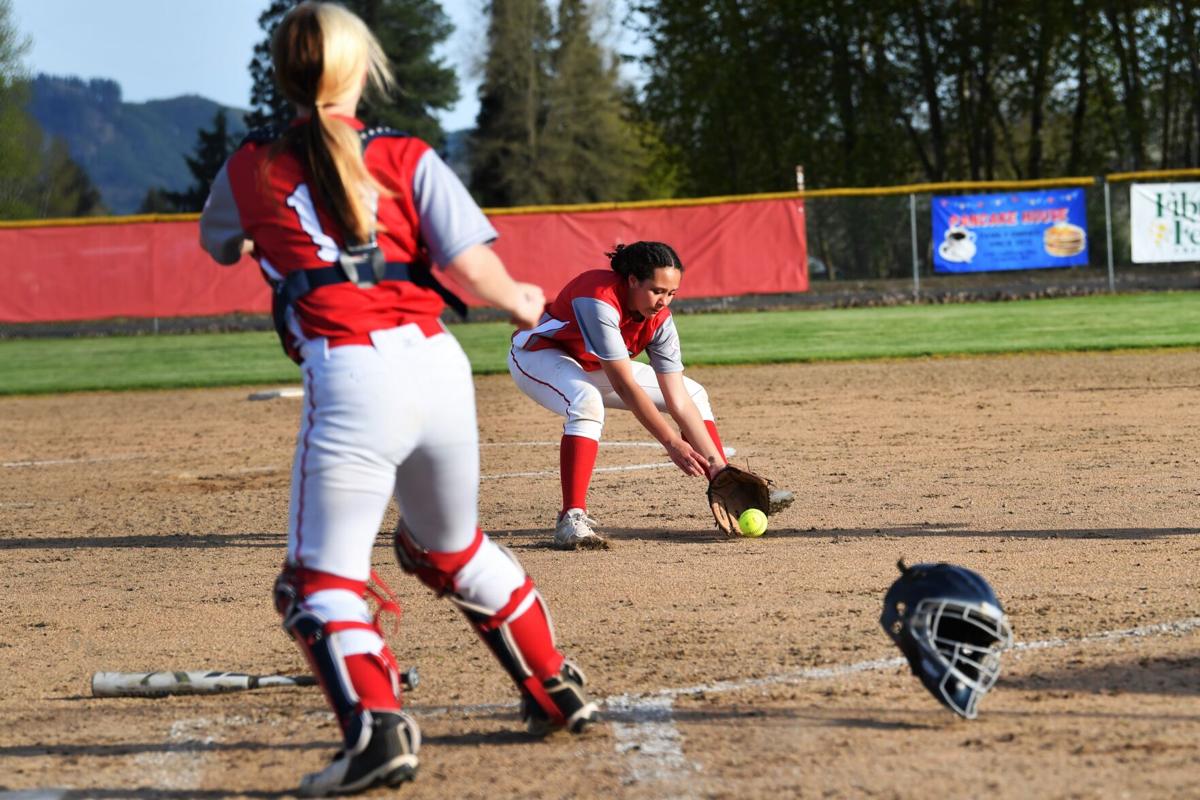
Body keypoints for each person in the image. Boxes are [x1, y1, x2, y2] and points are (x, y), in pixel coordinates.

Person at [198, 3, 596, 795]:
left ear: (283, 75)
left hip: (351, 378)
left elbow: (220, 244)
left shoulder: (248, 165)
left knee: (316, 582)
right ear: (360, 69)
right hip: (438, 368)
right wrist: (522, 301)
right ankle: (553, 684)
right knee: (448, 547)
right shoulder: (405, 154)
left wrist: (255, 232)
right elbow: (477, 271)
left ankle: (378, 733)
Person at [507, 241, 794, 550]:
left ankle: (724, 484)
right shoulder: (598, 298)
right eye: (657, 291)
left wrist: (716, 465)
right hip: (539, 356)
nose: (663, 301)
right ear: (632, 280)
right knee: (586, 402)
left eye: (671, 294)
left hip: (591, 365)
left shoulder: (661, 322)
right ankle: (571, 518)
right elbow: (624, 385)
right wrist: (671, 441)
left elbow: (678, 399)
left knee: (695, 394)